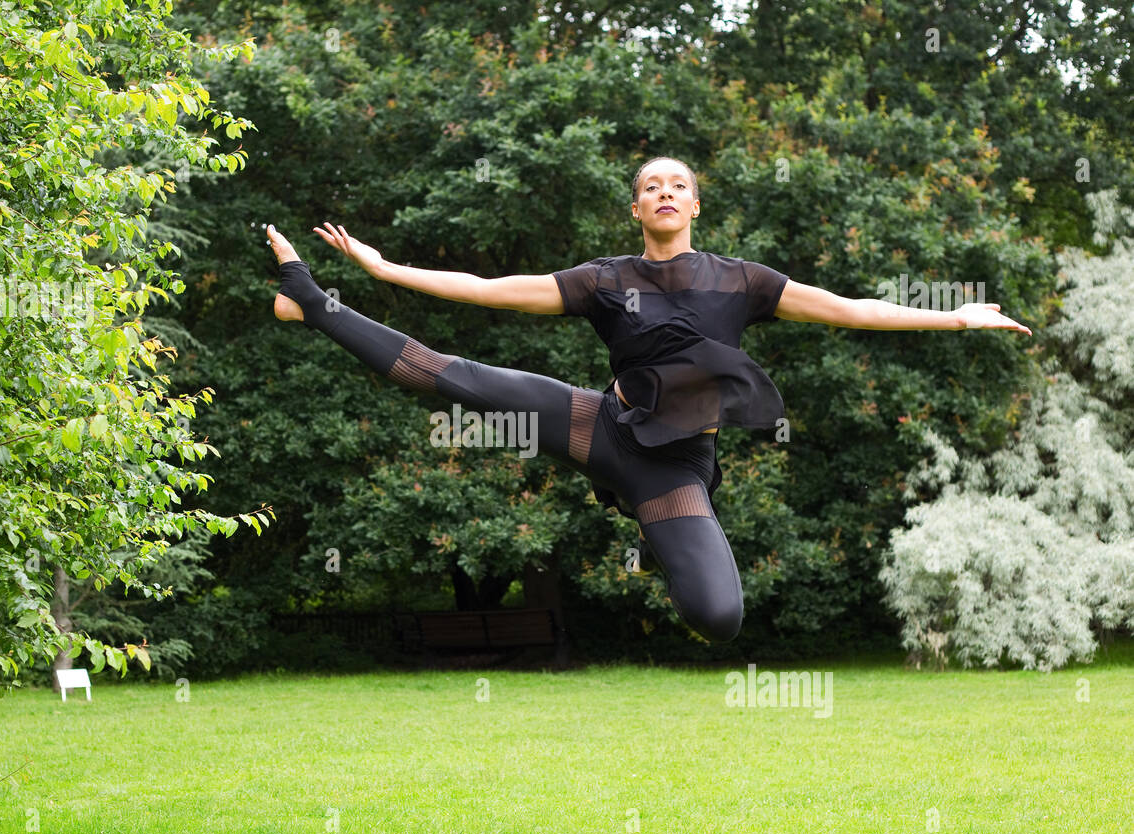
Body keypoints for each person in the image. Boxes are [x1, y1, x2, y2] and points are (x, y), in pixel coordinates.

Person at [267, 156, 1030, 643]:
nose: (663, 193)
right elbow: (490, 292)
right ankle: (310, 297)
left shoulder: (744, 281)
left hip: (673, 470)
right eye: (649, 188)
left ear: (696, 205)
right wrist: (387, 269)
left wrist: (956, 316)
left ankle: (657, 542)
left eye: (677, 186)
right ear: (636, 210)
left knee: (719, 618)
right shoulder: (605, 280)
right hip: (600, 429)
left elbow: (857, 309)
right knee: (449, 377)